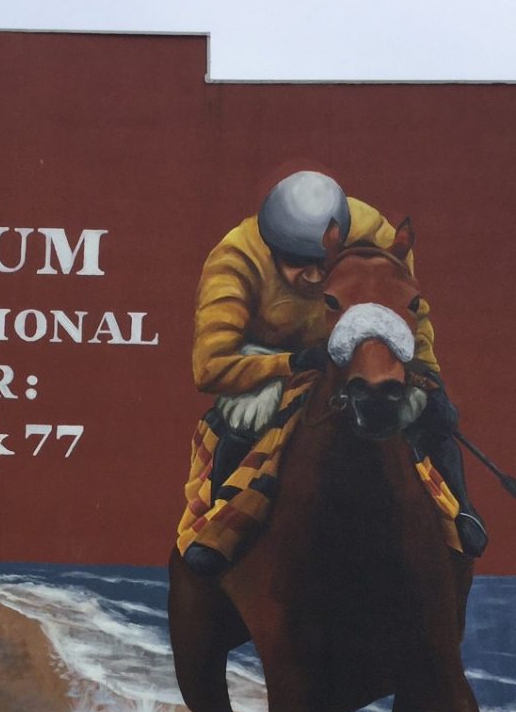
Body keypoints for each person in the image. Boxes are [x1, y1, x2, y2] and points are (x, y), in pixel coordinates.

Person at [183, 170, 486, 573]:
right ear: (270, 248)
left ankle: (461, 509)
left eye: (319, 263)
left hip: (361, 348)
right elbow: (211, 368)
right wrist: (288, 363)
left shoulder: (378, 236)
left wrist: (427, 374)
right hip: (272, 357)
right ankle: (222, 523)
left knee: (422, 406)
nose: (311, 276)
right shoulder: (234, 261)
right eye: (295, 264)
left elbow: (411, 309)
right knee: (249, 411)